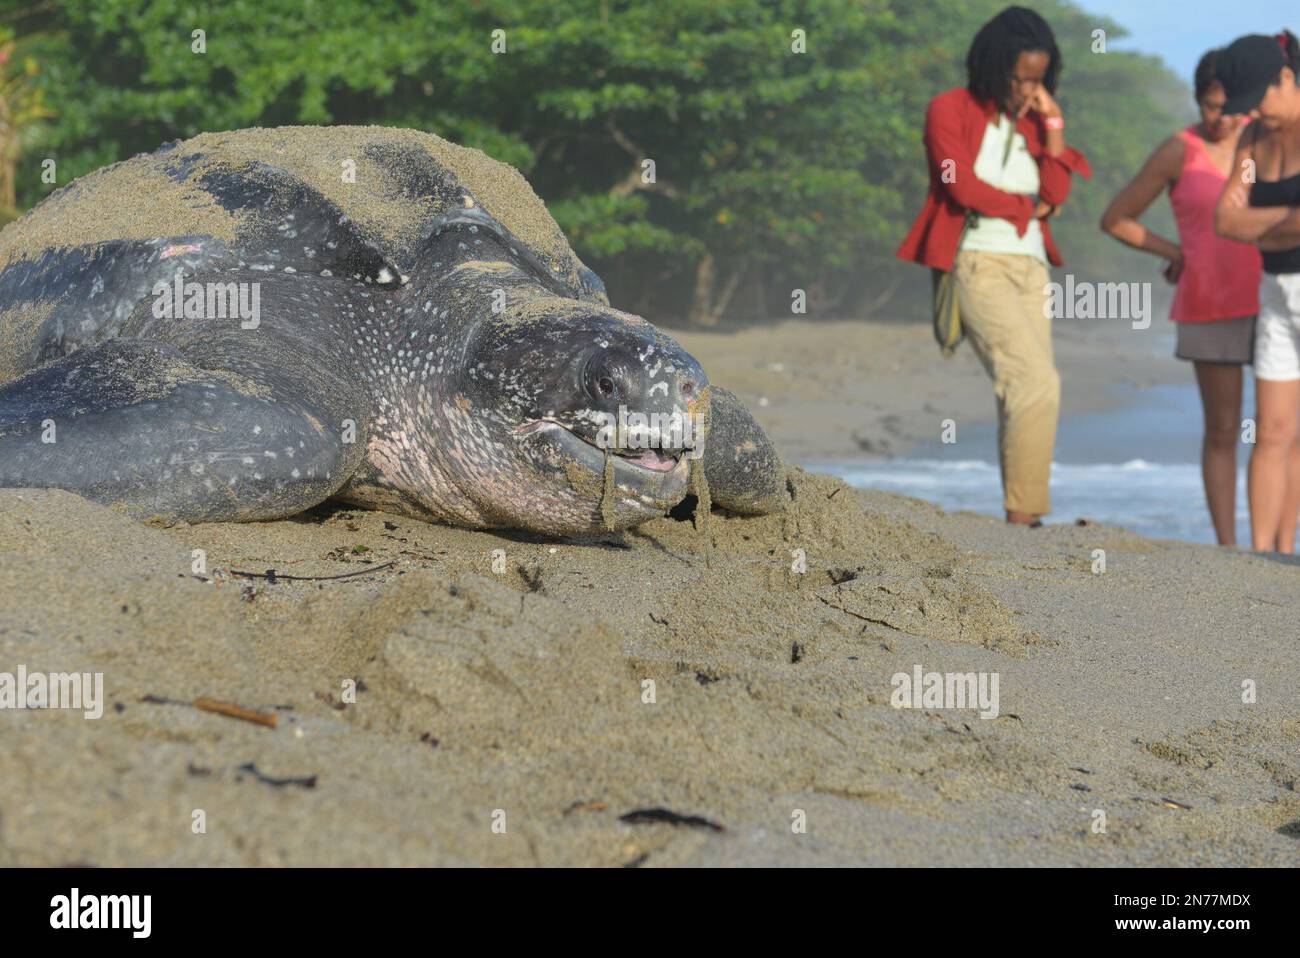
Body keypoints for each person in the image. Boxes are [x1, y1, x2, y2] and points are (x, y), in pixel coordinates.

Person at [897, 5, 1090, 527]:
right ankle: (1025, 517)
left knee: (1027, 387)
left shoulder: (1032, 121)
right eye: (1020, 76)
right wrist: (1026, 207)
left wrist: (1052, 124)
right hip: (976, 260)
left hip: (1032, 268)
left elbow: (1057, 191)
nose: (1029, 88)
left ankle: (1021, 512)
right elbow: (958, 182)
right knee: (1035, 382)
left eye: (1039, 78)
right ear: (991, 65)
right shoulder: (949, 108)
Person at [1099, 50, 1262, 546]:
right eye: (1212, 106)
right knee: (1223, 429)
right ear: (1196, 101)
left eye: (1232, 106)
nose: (1224, 117)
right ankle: (1228, 547)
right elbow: (1116, 218)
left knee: (1278, 430)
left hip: (1275, 298)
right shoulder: (1178, 150)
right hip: (1207, 304)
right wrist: (1178, 251)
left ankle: (1271, 544)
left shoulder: (1266, 139)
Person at [1214, 32, 1300, 553]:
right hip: (1274, 295)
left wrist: (1256, 224)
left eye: (1260, 99)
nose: (1256, 113)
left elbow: (1242, 217)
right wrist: (1287, 222)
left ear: (1287, 77)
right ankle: (1262, 557)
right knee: (1270, 430)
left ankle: (1288, 550)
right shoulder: (1251, 142)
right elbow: (1226, 217)